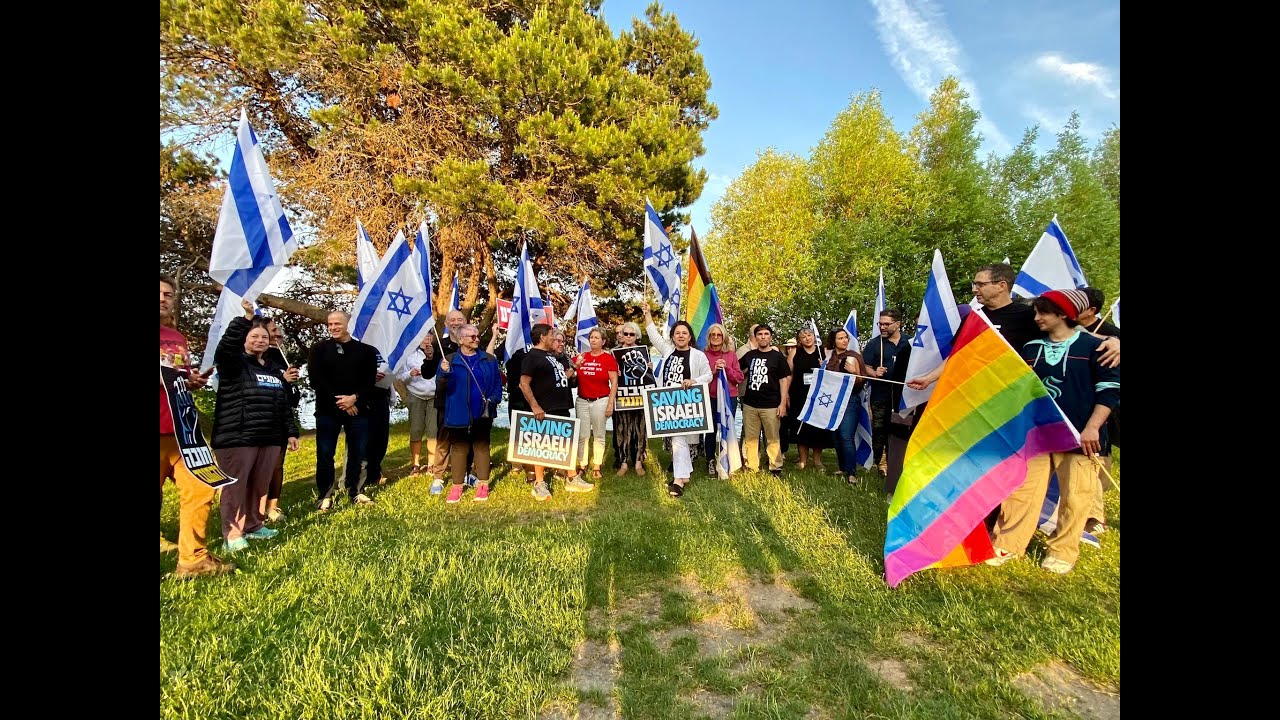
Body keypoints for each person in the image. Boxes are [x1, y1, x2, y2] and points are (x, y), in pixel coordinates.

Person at [986, 289, 1119, 574]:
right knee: (1021, 489)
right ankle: (1009, 543)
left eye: (1043, 312)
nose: (1037, 318)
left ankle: (1063, 551)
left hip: (1081, 437)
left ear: (1063, 314)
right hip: (1037, 435)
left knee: (1076, 494)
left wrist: (1093, 426)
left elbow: (1108, 391)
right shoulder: (1032, 348)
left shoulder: (1096, 348)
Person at [211, 301, 301, 552]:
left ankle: (254, 524)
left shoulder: (273, 368)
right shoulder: (234, 364)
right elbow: (226, 347)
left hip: (270, 436)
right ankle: (232, 534)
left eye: (265, 337)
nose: (260, 340)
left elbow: (282, 402)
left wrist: (291, 431)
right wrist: (246, 318)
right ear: (244, 339)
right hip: (238, 436)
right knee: (236, 486)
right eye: (255, 336)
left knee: (260, 484)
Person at [159, 274, 230, 578]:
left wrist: (193, 381)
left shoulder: (177, 338)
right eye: (158, 293)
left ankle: (192, 560)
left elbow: (180, 379)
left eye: (168, 295)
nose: (163, 299)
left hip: (182, 431)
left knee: (201, 487)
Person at [308, 310, 378, 511]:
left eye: (337, 323)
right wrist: (342, 402)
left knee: (358, 452)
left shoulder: (366, 351)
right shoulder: (319, 349)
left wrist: (354, 398)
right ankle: (325, 494)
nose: (333, 327)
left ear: (348, 324)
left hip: (358, 409)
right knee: (325, 454)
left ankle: (356, 491)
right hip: (327, 410)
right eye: (330, 324)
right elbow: (317, 380)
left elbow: (369, 382)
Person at [644, 308, 712, 497]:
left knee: (679, 440)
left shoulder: (698, 355)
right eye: (677, 333)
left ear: (690, 336)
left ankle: (678, 481)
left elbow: (708, 375)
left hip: (687, 403)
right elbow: (653, 335)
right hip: (666, 402)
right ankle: (684, 476)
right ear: (672, 337)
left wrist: (694, 381)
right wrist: (647, 314)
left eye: (684, 333)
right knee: (677, 440)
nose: (680, 336)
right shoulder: (667, 351)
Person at [520, 323, 591, 500]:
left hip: (561, 406)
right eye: (552, 335)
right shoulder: (532, 357)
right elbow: (524, 383)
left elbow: (561, 378)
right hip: (545, 408)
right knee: (542, 447)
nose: (555, 338)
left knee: (565, 443)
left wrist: (574, 368)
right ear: (543, 337)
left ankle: (572, 478)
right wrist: (535, 406)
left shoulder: (550, 357)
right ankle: (539, 483)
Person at [436, 324, 504, 503]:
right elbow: (440, 388)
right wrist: (443, 374)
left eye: (477, 336)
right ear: (460, 340)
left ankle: (483, 484)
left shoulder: (488, 359)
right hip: (458, 411)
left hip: (482, 411)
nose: (476, 339)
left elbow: (498, 384)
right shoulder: (449, 360)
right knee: (458, 448)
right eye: (471, 336)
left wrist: (493, 399)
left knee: (481, 446)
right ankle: (457, 486)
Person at [259, 318, 301, 524]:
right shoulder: (256, 359)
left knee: (276, 466)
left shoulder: (280, 357)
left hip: (280, 420)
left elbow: (291, 397)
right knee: (258, 467)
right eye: (273, 330)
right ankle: (256, 510)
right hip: (259, 421)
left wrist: (291, 384)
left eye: (279, 331)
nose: (278, 335)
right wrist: (282, 380)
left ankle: (272, 507)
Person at [738, 324, 791, 477]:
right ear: (755, 337)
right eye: (759, 334)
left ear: (770, 337)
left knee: (773, 438)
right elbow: (735, 369)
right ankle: (751, 466)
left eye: (766, 334)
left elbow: (783, 380)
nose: (763, 336)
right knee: (751, 438)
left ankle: (775, 466)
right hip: (750, 404)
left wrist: (782, 403)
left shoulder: (777, 356)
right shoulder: (749, 355)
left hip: (771, 405)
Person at [862, 308, 909, 470]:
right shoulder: (874, 344)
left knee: (901, 429)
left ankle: (898, 461)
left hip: (904, 396)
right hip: (880, 395)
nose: (882, 327)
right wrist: (874, 373)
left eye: (886, 324)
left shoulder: (910, 342)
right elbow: (865, 366)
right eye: (880, 324)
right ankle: (879, 462)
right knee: (880, 428)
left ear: (897, 324)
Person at [571, 328, 618, 481]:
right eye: (591, 337)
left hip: (601, 400)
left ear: (603, 341)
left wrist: (611, 403)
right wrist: (576, 366)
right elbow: (570, 374)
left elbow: (614, 382)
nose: (593, 340)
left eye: (597, 338)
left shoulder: (608, 358)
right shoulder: (582, 357)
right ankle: (582, 465)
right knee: (582, 435)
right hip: (582, 400)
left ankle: (597, 465)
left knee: (599, 435)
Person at [824, 328, 868, 486]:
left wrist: (854, 373)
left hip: (850, 400)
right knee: (835, 436)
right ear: (833, 341)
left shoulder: (853, 357)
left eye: (845, 338)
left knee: (846, 436)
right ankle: (842, 467)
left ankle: (852, 473)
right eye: (840, 338)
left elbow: (860, 382)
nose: (844, 340)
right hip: (833, 400)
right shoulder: (831, 358)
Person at [700, 323, 744, 474]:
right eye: (713, 335)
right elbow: (700, 378)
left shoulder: (731, 355)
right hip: (710, 396)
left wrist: (727, 368)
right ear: (709, 337)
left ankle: (729, 458)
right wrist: (713, 371)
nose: (716, 337)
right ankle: (710, 459)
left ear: (723, 337)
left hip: (728, 397)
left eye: (719, 335)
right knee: (711, 429)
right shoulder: (703, 355)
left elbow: (738, 378)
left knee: (728, 427)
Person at [785, 327, 830, 470]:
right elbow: (788, 374)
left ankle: (817, 461)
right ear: (799, 340)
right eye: (803, 336)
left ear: (814, 336)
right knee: (801, 427)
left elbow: (833, 373)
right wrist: (785, 393)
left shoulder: (824, 351)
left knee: (817, 428)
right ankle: (802, 460)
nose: (807, 338)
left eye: (809, 335)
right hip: (799, 395)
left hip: (819, 396)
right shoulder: (794, 352)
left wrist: (826, 366)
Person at [611, 321, 651, 477]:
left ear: (637, 336)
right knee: (622, 430)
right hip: (622, 396)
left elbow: (649, 377)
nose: (628, 336)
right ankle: (624, 463)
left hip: (640, 396)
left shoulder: (643, 353)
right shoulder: (614, 353)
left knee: (641, 430)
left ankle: (639, 462)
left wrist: (650, 369)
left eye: (631, 334)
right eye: (625, 333)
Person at [398, 334, 438, 476]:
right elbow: (400, 376)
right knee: (416, 429)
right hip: (415, 395)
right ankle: (415, 464)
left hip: (434, 395)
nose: (426, 339)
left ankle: (431, 465)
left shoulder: (438, 352)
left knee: (433, 430)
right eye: (423, 336)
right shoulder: (408, 354)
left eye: (429, 336)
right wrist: (410, 373)